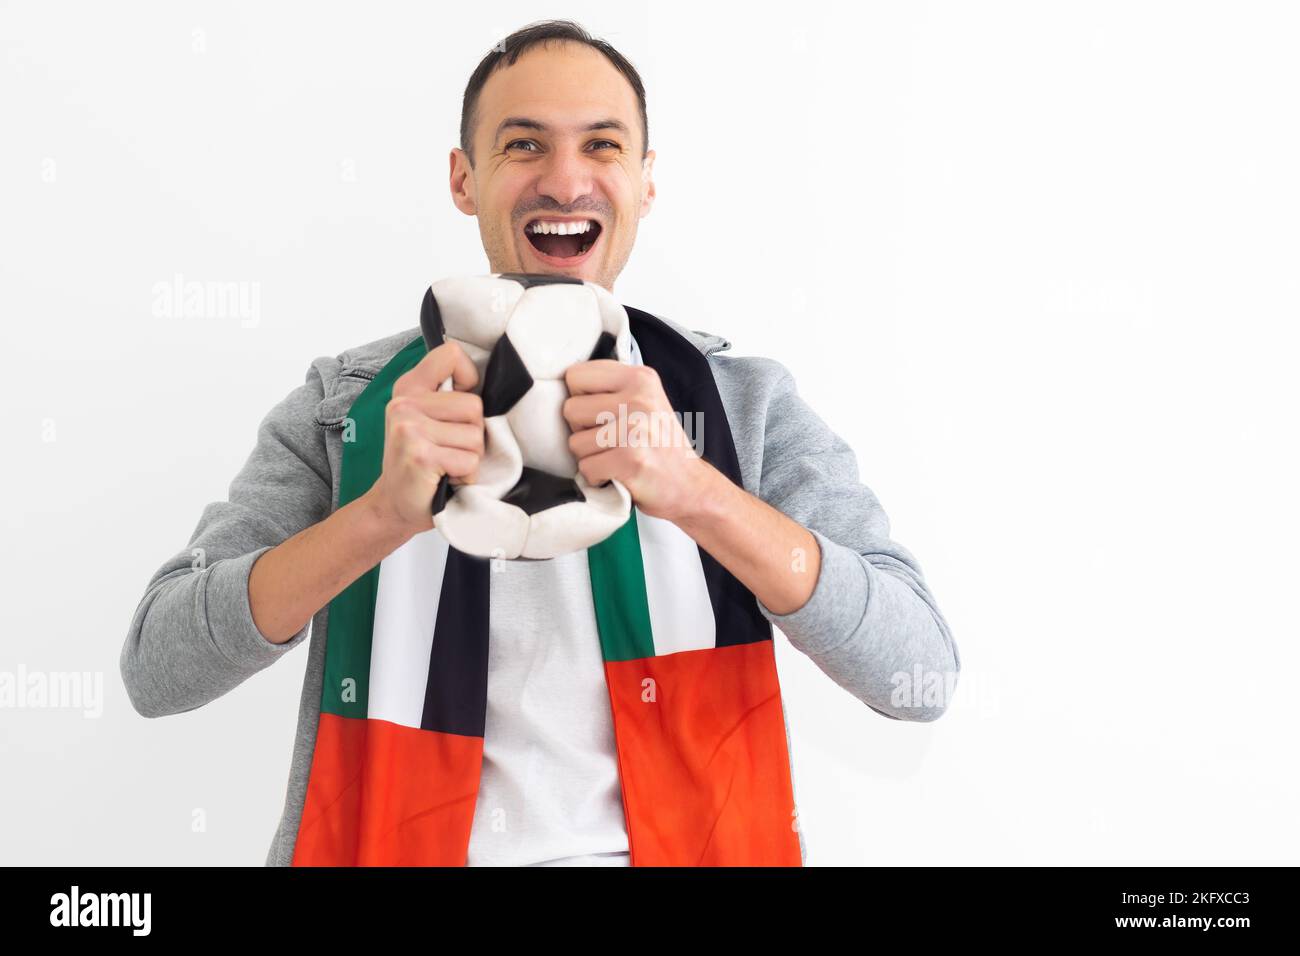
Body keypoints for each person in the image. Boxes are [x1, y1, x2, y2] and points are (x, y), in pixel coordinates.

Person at [120, 18, 960, 867]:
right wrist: (375, 516)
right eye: (523, 145)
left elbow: (915, 672)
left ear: (644, 179)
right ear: (463, 177)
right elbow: (158, 669)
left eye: (602, 145)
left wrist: (699, 491)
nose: (566, 181)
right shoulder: (349, 408)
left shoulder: (741, 405)